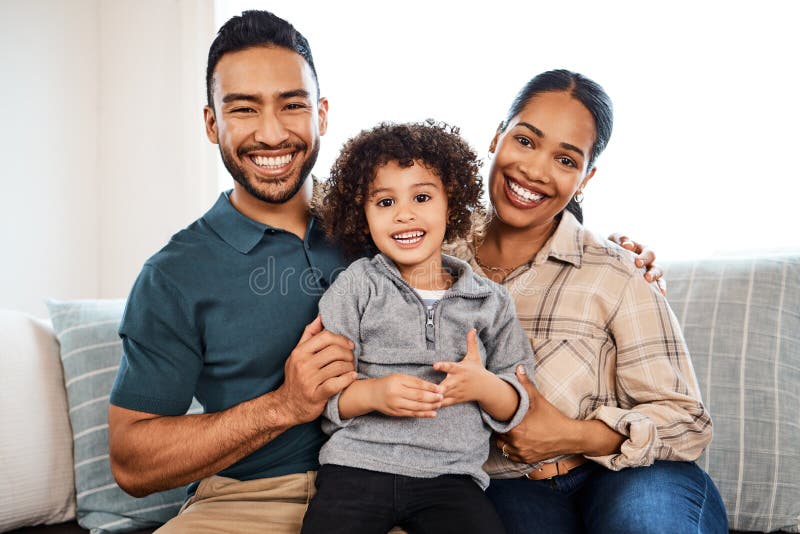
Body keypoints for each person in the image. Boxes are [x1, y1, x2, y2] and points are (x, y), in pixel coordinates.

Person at [107, 10, 663, 534]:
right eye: (244, 108)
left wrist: (616, 252)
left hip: (418, 485)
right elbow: (132, 465)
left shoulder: (386, 223)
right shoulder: (176, 274)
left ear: (322, 113)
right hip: (249, 498)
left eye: (292, 105)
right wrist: (284, 406)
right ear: (211, 122)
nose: (272, 133)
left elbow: (513, 227)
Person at [442, 69, 728, 533]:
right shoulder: (430, 258)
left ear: (586, 177)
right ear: (496, 137)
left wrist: (569, 434)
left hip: (633, 475)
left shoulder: (614, 270)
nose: (535, 171)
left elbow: (687, 421)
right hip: (506, 487)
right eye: (526, 141)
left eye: (566, 160)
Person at [301, 121, 532, 534]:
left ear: (451, 205)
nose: (404, 213)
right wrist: (374, 393)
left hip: (451, 478)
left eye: (422, 197)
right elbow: (326, 394)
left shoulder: (489, 302)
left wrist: (482, 386)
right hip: (357, 467)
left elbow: (518, 401)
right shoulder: (356, 286)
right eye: (385, 202)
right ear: (364, 214)